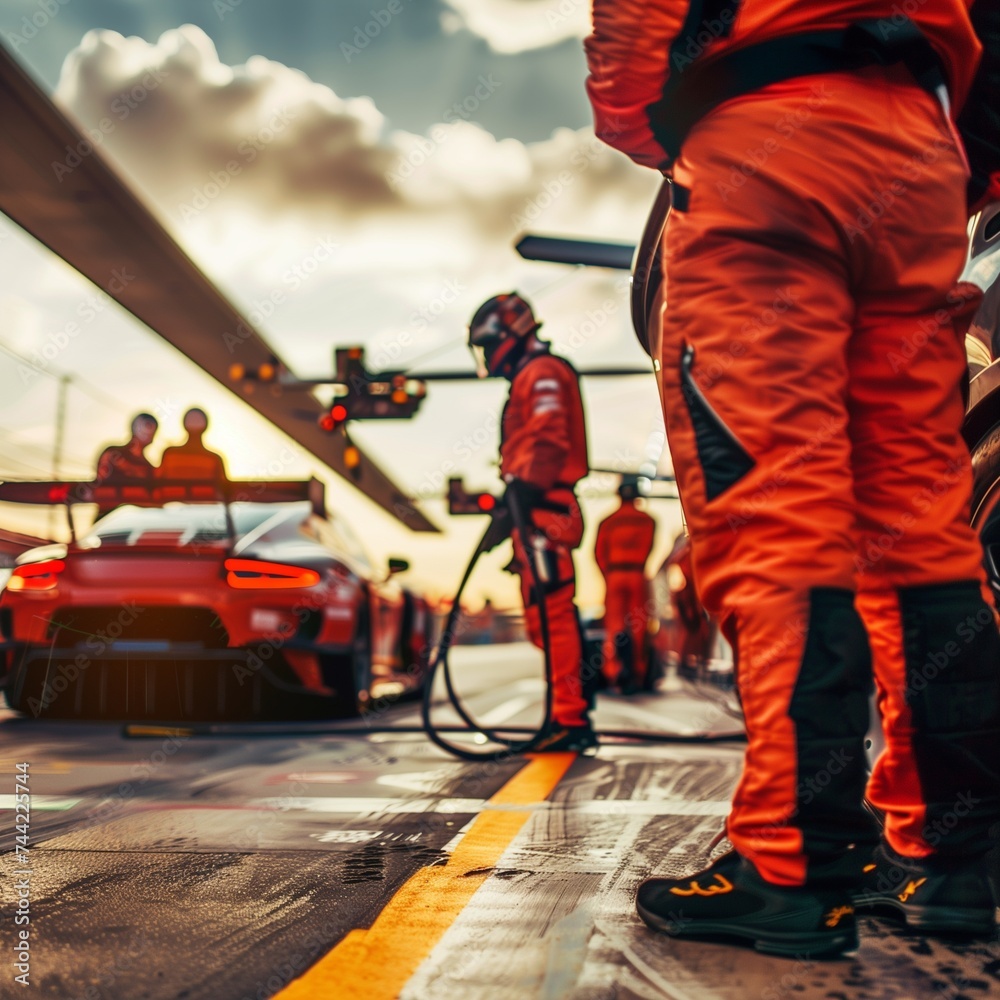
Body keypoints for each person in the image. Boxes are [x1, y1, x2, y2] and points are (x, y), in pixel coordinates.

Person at [586, 2, 1000, 957]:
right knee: (923, 532)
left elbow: (635, 40)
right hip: (921, 160)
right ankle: (956, 861)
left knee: (778, 522)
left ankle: (790, 867)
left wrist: (690, 127)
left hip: (765, 146)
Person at [468, 292, 596, 753]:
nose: (486, 357)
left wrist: (522, 490)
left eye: (488, 345)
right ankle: (569, 708)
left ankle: (568, 717)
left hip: (545, 509)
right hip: (535, 510)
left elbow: (547, 437)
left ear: (506, 335)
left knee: (554, 616)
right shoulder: (530, 374)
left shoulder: (541, 373)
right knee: (545, 620)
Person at [595, 478, 656, 692]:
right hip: (637, 574)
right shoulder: (648, 520)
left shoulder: (608, 522)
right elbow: (649, 548)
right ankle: (637, 673)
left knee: (614, 626)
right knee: (639, 625)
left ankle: (614, 672)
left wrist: (608, 576)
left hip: (614, 575)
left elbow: (599, 554)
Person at [93, 413, 158, 514]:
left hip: (133, 521)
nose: (147, 432)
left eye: (150, 428)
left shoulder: (148, 468)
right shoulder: (112, 454)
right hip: (109, 518)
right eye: (145, 427)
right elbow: (100, 486)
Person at [156, 408, 228, 485]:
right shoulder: (214, 458)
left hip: (195, 497)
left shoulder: (170, 453)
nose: (195, 421)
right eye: (193, 420)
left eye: (197, 420)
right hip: (193, 497)